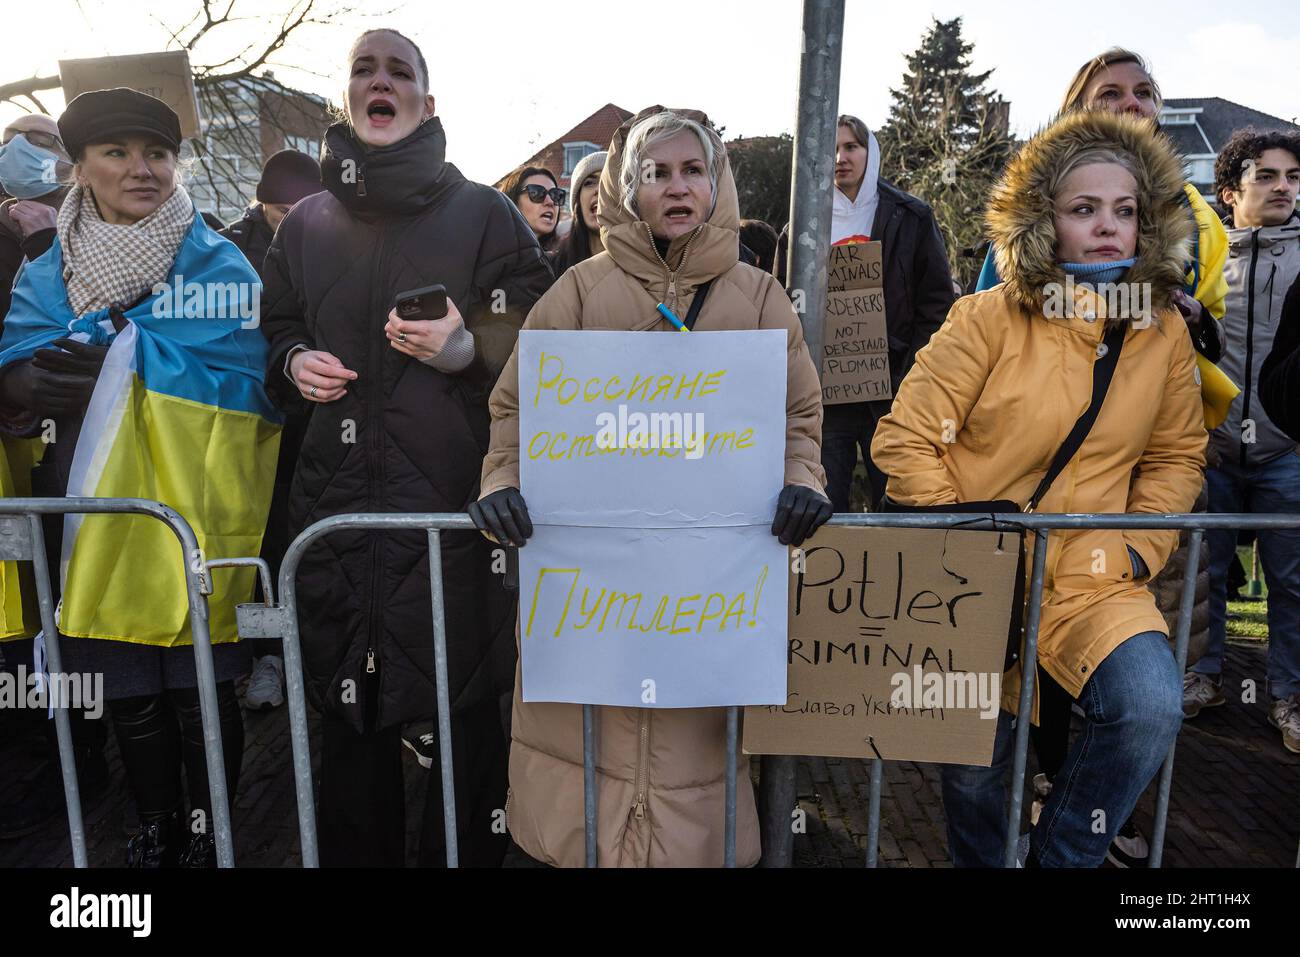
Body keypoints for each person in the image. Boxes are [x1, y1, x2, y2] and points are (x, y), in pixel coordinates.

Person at [470, 105, 831, 868]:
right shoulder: (573, 293)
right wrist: (503, 479)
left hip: (708, 600)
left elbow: (799, 414)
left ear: (716, 182)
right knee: (581, 766)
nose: (676, 186)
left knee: (692, 761)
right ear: (627, 187)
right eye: (656, 171)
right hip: (593, 599)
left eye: (692, 170)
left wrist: (802, 479)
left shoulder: (764, 301)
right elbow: (516, 407)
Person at [872, 109, 1206, 867]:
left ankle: (1059, 860)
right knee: (978, 776)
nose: (1108, 226)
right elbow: (905, 439)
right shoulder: (986, 317)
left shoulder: (1162, 328)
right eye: (1084, 209)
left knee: (1150, 706)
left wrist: (1132, 552)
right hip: (975, 587)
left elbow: (1178, 455)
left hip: (1096, 580)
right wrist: (970, 547)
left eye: (1125, 210)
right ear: (1043, 221)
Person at [259, 27, 552, 867]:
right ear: (345, 98)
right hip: (337, 513)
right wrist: (290, 360)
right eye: (364, 69)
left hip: (457, 516)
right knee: (350, 722)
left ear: (428, 100)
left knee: (465, 717)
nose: (379, 81)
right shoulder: (305, 225)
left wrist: (467, 351)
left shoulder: (484, 213)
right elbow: (274, 331)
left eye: (399, 71)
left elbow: (533, 336)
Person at [0, 88, 280, 866]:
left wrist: (126, 366)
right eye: (117, 152)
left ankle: (216, 828)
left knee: (201, 683)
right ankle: (156, 828)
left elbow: (249, 381)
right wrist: (26, 384)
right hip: (94, 501)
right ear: (80, 167)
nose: (142, 169)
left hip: (194, 503)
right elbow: (12, 362)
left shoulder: (218, 259)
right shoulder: (47, 268)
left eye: (156, 153)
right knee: (125, 680)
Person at [975, 46, 1232, 868]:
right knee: (1004, 702)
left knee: (1146, 682)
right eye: (1107, 92)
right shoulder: (1025, 222)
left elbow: (1218, 356)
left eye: (1143, 91)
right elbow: (979, 337)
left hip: (1139, 490)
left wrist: (1183, 323)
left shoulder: (1203, 222)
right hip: (1017, 516)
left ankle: (1098, 823)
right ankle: (1016, 821)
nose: (1129, 103)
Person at [1185, 128, 1300, 755]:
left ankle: (1289, 695)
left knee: (1293, 581)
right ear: (1230, 192)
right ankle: (1202, 678)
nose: (1283, 187)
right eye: (1267, 176)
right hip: (1213, 447)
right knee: (1207, 576)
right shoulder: (1202, 256)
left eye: (1292, 177)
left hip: (1289, 452)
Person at [775, 114, 955, 511]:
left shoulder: (911, 217)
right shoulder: (800, 226)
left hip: (895, 393)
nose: (840, 157)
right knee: (824, 505)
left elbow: (937, 307)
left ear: (869, 152)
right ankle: (825, 575)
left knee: (899, 501)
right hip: (824, 397)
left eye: (851, 147)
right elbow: (782, 312)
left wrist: (909, 372)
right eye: (831, 149)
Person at [219, 148, 324, 712]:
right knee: (262, 540)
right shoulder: (230, 252)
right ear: (262, 204)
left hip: (315, 414)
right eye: (282, 212)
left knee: (313, 536)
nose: (293, 221)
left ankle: (317, 655)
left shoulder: (328, 234)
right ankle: (267, 658)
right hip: (252, 417)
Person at [0, 113, 73, 323]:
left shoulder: (107, 224)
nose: (16, 148)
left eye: (39, 140)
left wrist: (45, 246)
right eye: (7, 141)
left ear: (72, 159)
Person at [551, 150, 606, 276]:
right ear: (577, 203)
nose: (599, 189)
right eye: (589, 183)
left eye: (607, 181)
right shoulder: (553, 267)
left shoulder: (644, 263)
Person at [500, 165, 565, 256]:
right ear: (513, 201)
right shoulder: (490, 252)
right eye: (537, 193)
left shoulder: (563, 261)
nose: (550, 202)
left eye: (556, 195)